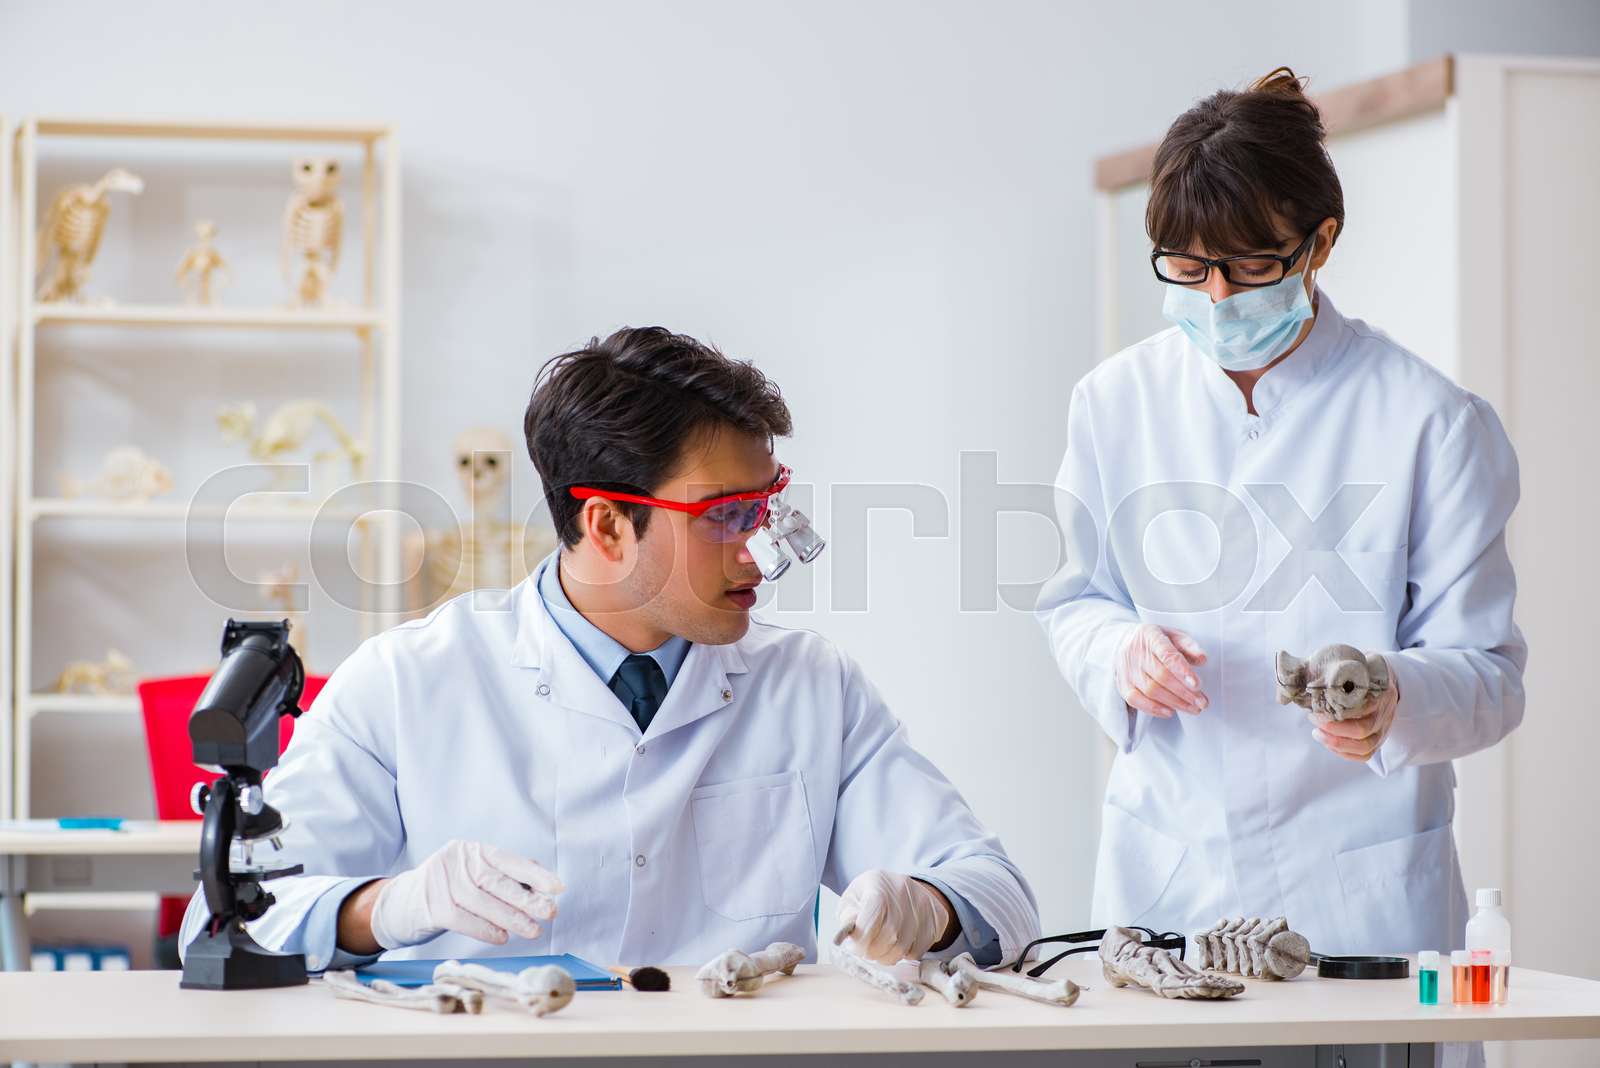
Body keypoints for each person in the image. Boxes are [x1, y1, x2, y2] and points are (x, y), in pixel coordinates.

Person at [180, 326, 1038, 972]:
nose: (759, 550)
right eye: (725, 516)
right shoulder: (409, 681)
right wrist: (385, 908)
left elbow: (1000, 892)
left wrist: (928, 908)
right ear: (606, 523)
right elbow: (223, 925)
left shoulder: (810, 685)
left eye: (765, 508)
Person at [1037, 69, 1524, 968]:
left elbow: (1492, 676)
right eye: (1186, 268)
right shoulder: (1115, 402)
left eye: (1252, 266)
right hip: (1172, 874)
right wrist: (1120, 653)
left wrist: (1394, 695)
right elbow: (1075, 602)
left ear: (1320, 242)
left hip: (1360, 889)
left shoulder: (1428, 421)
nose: (1217, 298)